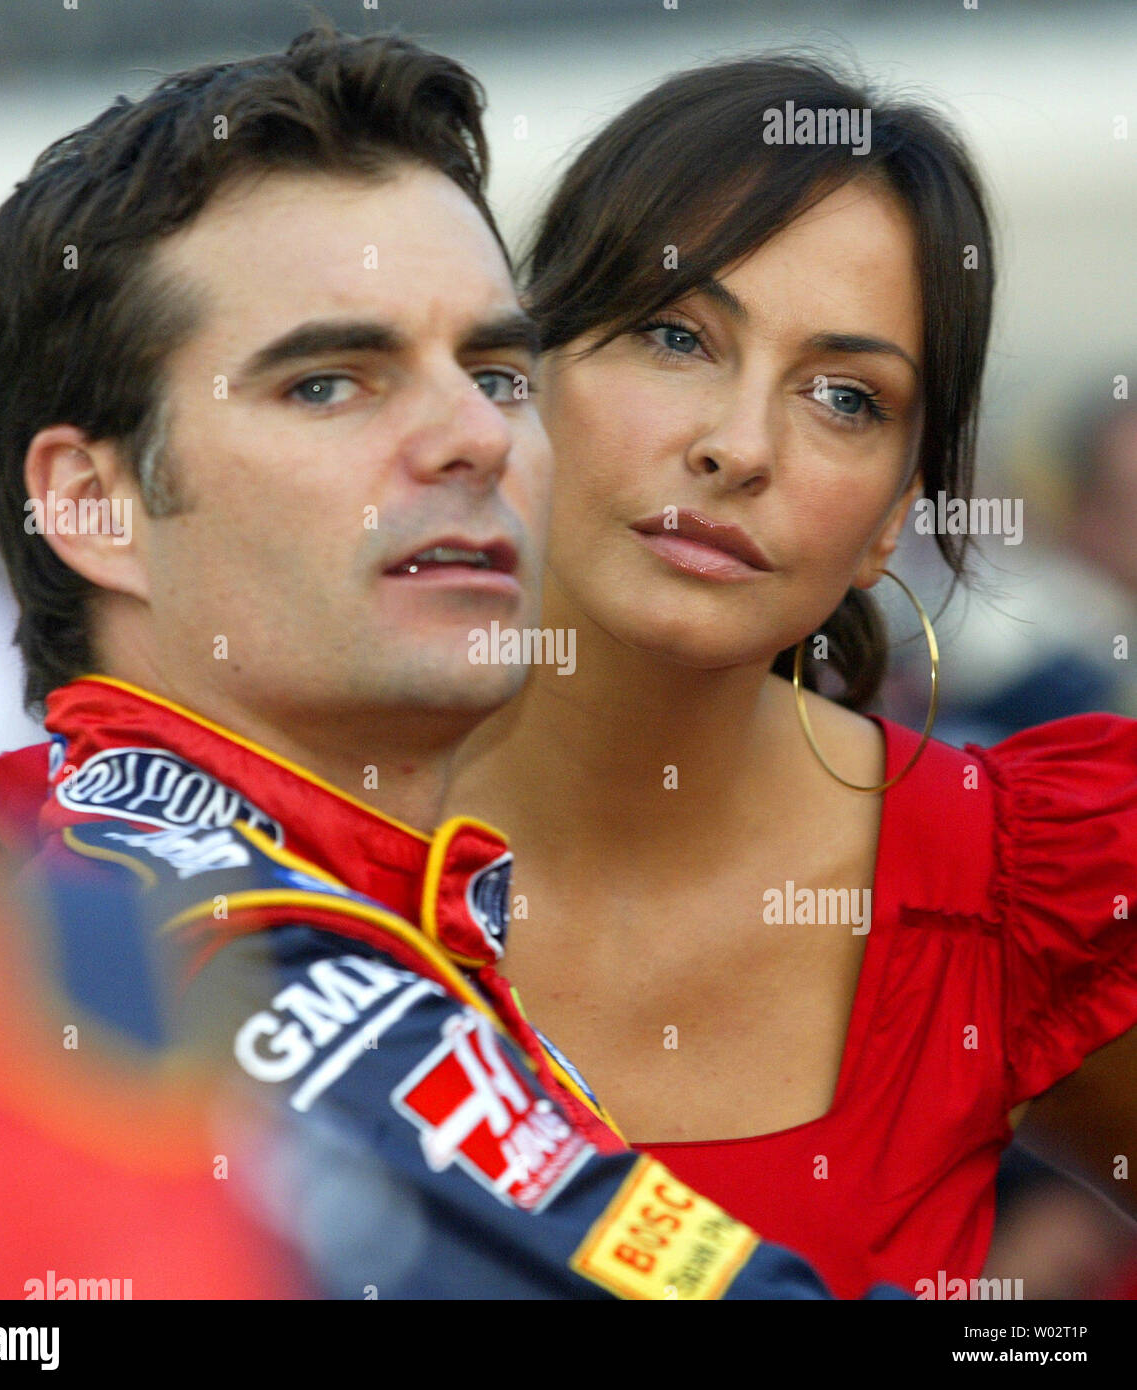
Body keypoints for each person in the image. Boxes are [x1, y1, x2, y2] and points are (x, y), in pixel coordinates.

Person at [0, 25, 898, 1300]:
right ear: (92, 502)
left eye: (497, 372)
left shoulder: (169, 879)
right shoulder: (237, 961)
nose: (473, 438)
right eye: (331, 383)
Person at [445, 56, 1137, 1299]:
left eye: (843, 397)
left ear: (891, 521)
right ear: (516, 377)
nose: (739, 446)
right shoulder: (240, 840)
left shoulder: (1023, 883)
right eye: (674, 335)